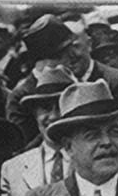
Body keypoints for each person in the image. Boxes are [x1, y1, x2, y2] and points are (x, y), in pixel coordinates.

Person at [0, 66, 74, 196]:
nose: (53, 116)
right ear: (35, 113)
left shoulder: (91, 161)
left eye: (60, 107)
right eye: (46, 108)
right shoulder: (13, 168)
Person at [6, 15, 74, 145]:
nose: (73, 56)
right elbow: (22, 144)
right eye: (67, 52)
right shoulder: (20, 95)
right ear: (55, 57)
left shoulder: (74, 80)